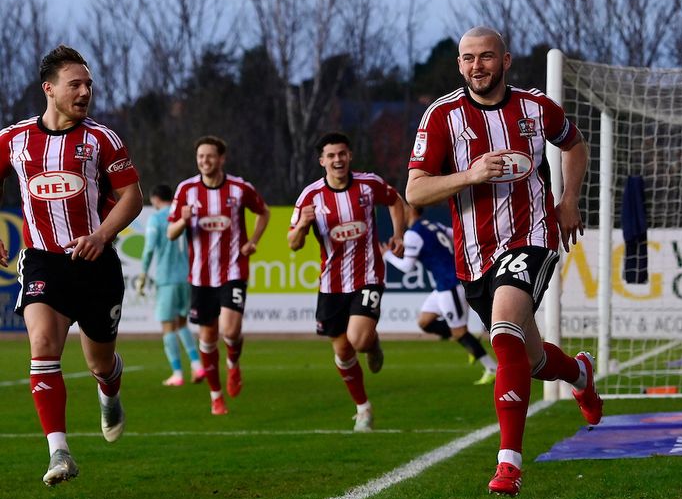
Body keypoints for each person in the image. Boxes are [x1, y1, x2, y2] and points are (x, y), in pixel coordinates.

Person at [405, 27, 603, 496]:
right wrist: (469, 175)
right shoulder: (441, 117)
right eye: (469, 58)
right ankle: (580, 374)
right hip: (474, 256)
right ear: (459, 65)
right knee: (529, 360)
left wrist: (569, 199)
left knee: (503, 336)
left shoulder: (537, 107)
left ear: (506, 60)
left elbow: (574, 145)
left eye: (487, 57)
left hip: (533, 237)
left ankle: (508, 466)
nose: (478, 66)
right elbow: (415, 189)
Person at [0, 45, 143, 486]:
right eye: (75, 84)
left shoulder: (102, 139)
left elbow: (132, 197)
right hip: (43, 260)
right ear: (49, 89)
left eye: (89, 85)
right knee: (42, 344)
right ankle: (59, 452)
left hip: (96, 265)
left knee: (99, 362)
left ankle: (109, 387)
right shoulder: (13, 139)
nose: (85, 92)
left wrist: (101, 235)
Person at [288, 132, 405, 432]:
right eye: (331, 155)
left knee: (359, 340)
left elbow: (395, 201)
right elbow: (293, 244)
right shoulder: (310, 197)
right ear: (322, 161)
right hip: (331, 283)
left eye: (342, 154)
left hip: (368, 274)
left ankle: (372, 342)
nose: (337, 159)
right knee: (342, 351)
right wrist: (302, 225)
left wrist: (399, 235)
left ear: (349, 155)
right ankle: (363, 408)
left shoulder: (369, 185)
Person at [167, 136, 269, 415]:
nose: (204, 161)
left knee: (231, 329)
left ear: (221, 159)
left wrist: (254, 241)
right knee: (208, 336)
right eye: (200, 157)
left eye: (210, 156)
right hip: (200, 277)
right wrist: (183, 221)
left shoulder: (239, 188)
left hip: (233, 270)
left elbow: (263, 212)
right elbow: (171, 232)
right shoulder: (186, 190)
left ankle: (233, 364)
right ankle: (215, 395)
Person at [380, 203, 497, 384]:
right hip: (443, 286)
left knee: (458, 333)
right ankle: (466, 338)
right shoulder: (433, 225)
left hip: (450, 285)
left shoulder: (412, 234)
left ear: (411, 210)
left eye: (402, 209)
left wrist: (387, 255)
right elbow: (457, 235)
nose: (400, 213)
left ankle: (491, 368)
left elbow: (407, 267)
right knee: (425, 322)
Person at [136, 184, 205, 387]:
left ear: (155, 199)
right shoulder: (182, 217)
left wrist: (143, 274)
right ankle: (197, 365)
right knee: (182, 324)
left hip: (167, 278)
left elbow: (149, 249)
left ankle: (177, 373)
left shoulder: (156, 219)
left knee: (168, 326)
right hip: (186, 277)